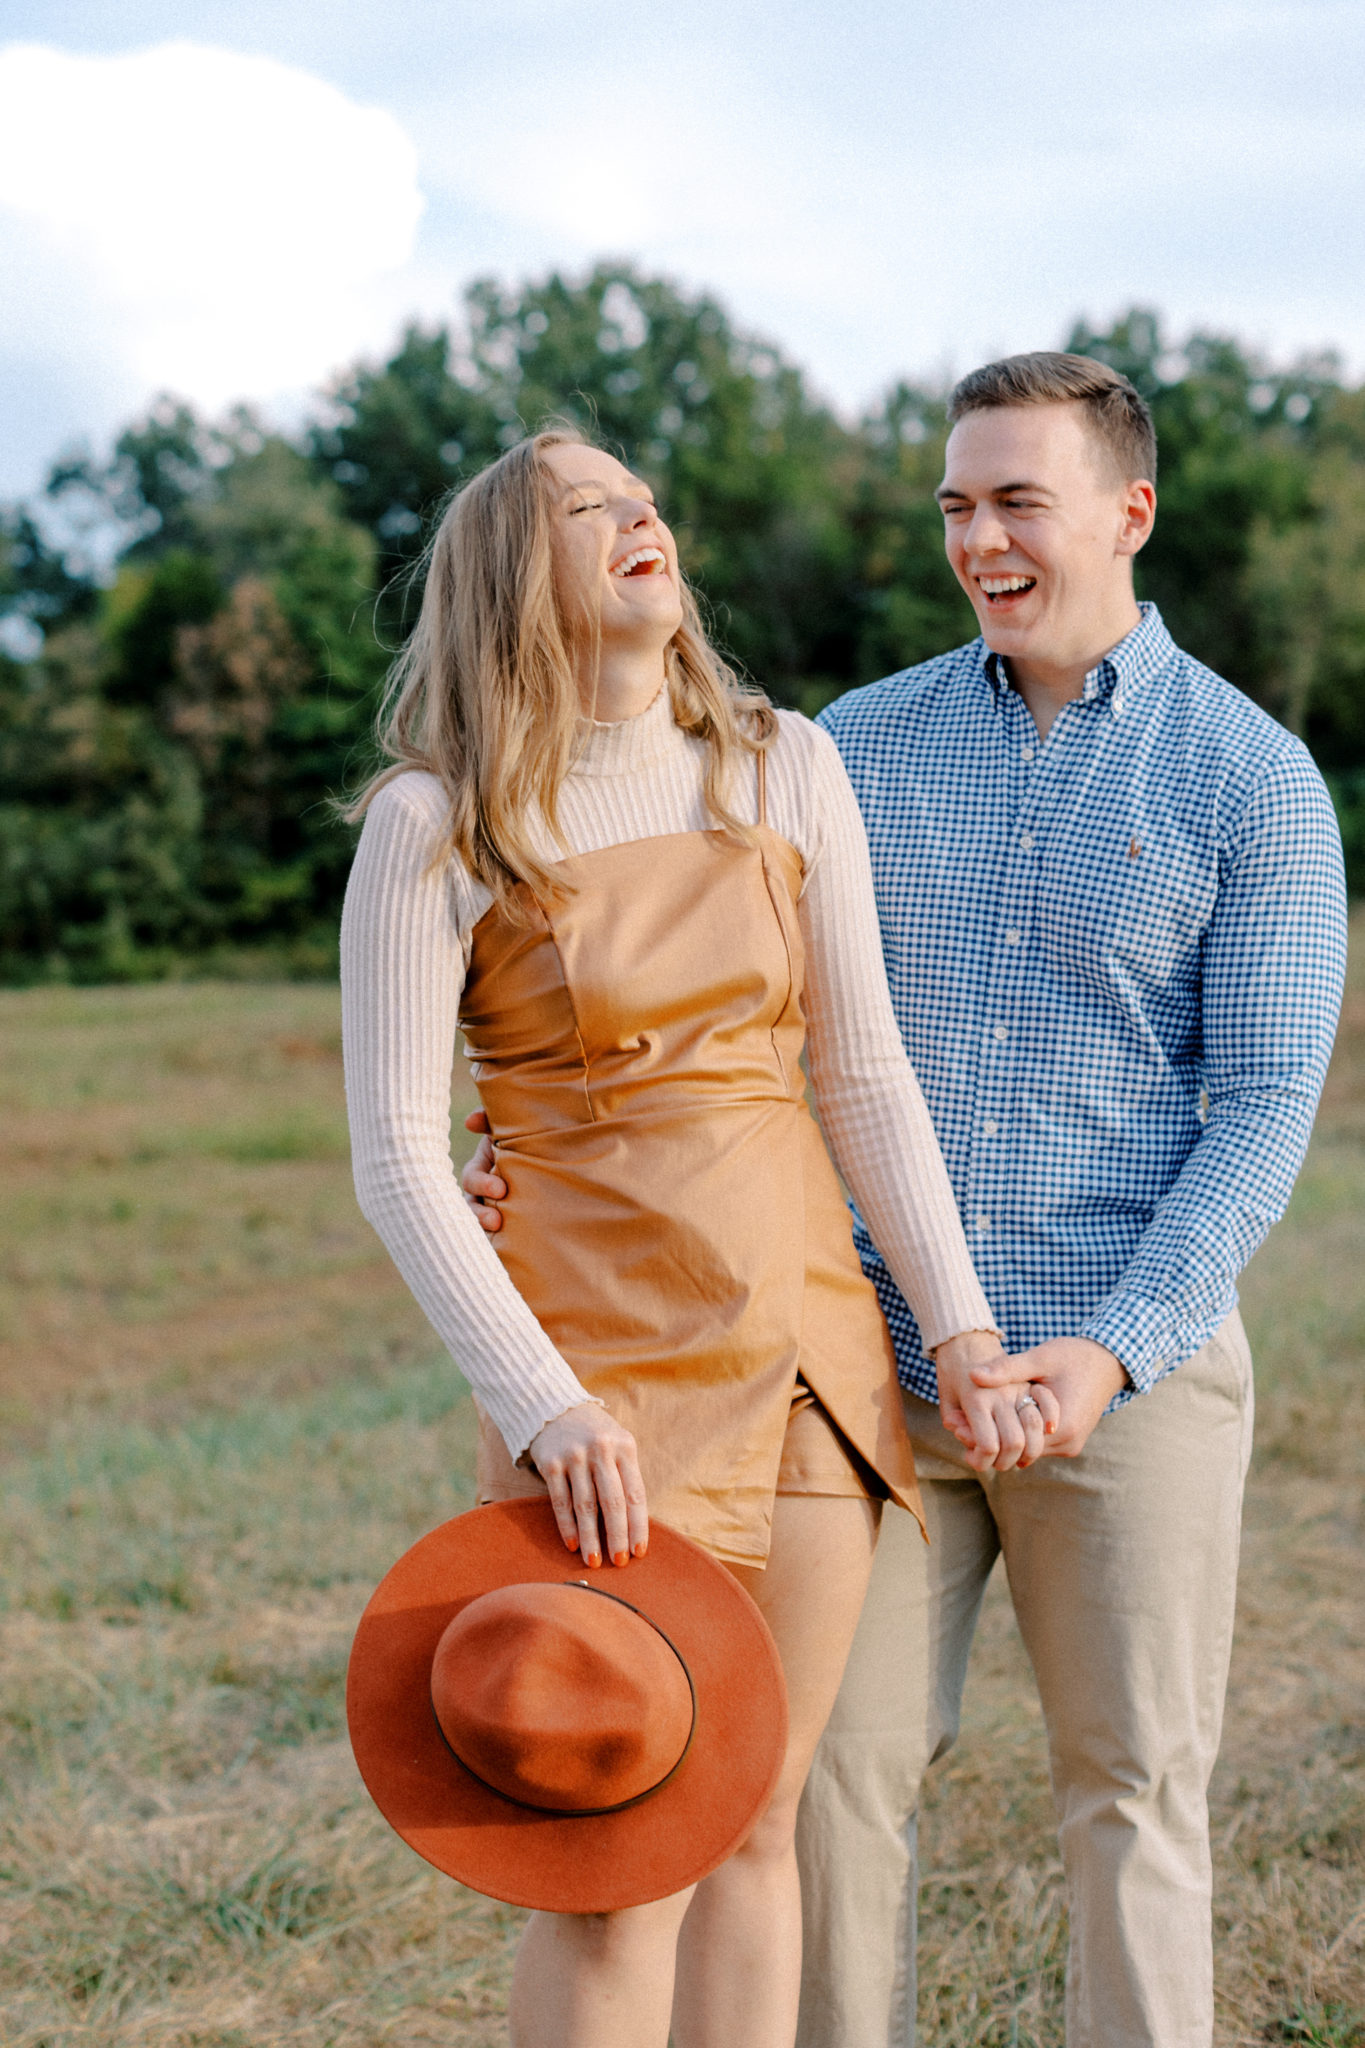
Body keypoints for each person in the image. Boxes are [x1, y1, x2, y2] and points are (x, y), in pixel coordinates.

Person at [463, 353, 1349, 2048]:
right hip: (857, 1377)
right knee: (808, 1799)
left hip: (1121, 1372)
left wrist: (1104, 1350)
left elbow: (1257, 1122)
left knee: (1133, 1793)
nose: (980, 539)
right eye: (956, 503)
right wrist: (536, 1154)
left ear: (1125, 514)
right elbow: (738, 1027)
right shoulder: (844, 749)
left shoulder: (1252, 782)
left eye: (1018, 500)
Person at [339, 427, 1043, 2048]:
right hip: (604, 1390)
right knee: (615, 1845)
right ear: (515, 579)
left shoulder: (782, 760)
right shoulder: (436, 819)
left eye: (642, 498)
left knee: (753, 1814)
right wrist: (542, 1403)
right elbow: (393, 1153)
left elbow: (860, 1075)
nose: (636, 520)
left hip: (807, 1353)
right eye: (587, 512)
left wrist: (953, 1328)